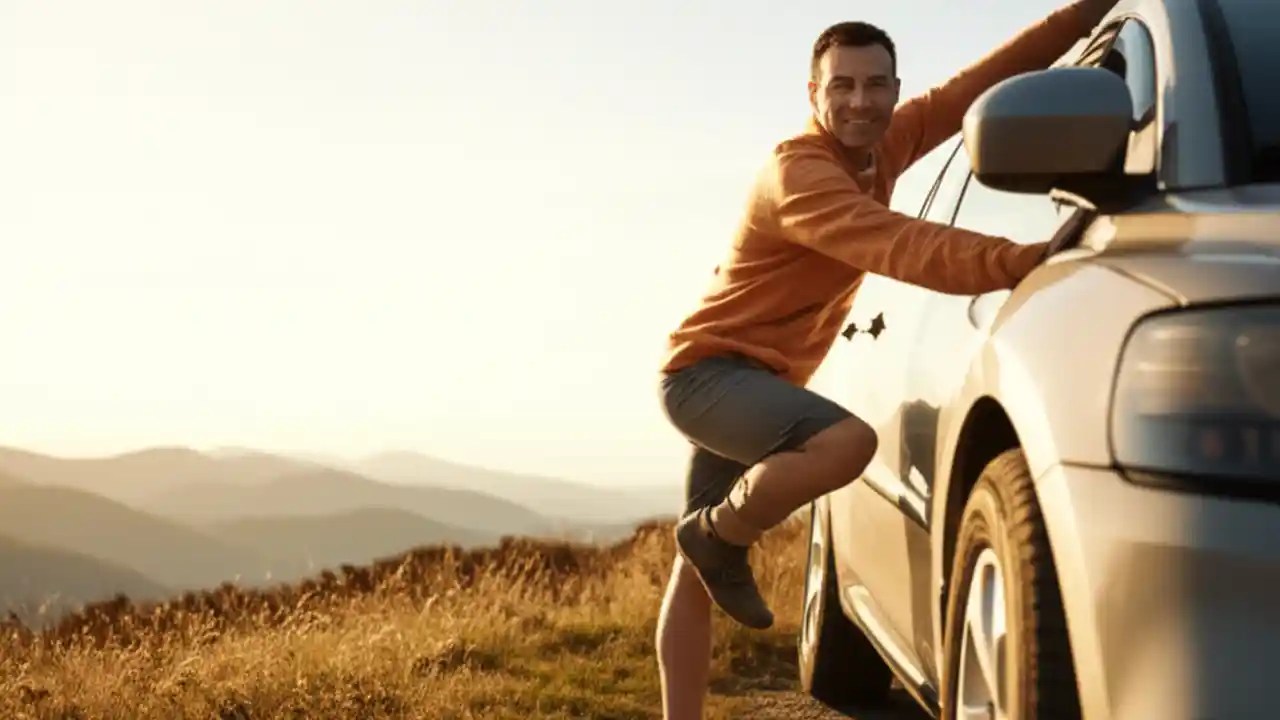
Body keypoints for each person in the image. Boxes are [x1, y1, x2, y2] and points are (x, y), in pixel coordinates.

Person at [653, 0, 1121, 717]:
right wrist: (1022, 260)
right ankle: (719, 535)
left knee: (693, 576)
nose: (860, 101)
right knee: (845, 444)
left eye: (876, 85)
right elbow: (896, 243)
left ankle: (705, 573)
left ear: (896, 91)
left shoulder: (886, 145)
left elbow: (983, 81)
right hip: (708, 378)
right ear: (813, 94)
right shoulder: (799, 173)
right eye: (841, 85)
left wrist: (1089, 11)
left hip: (754, 381)